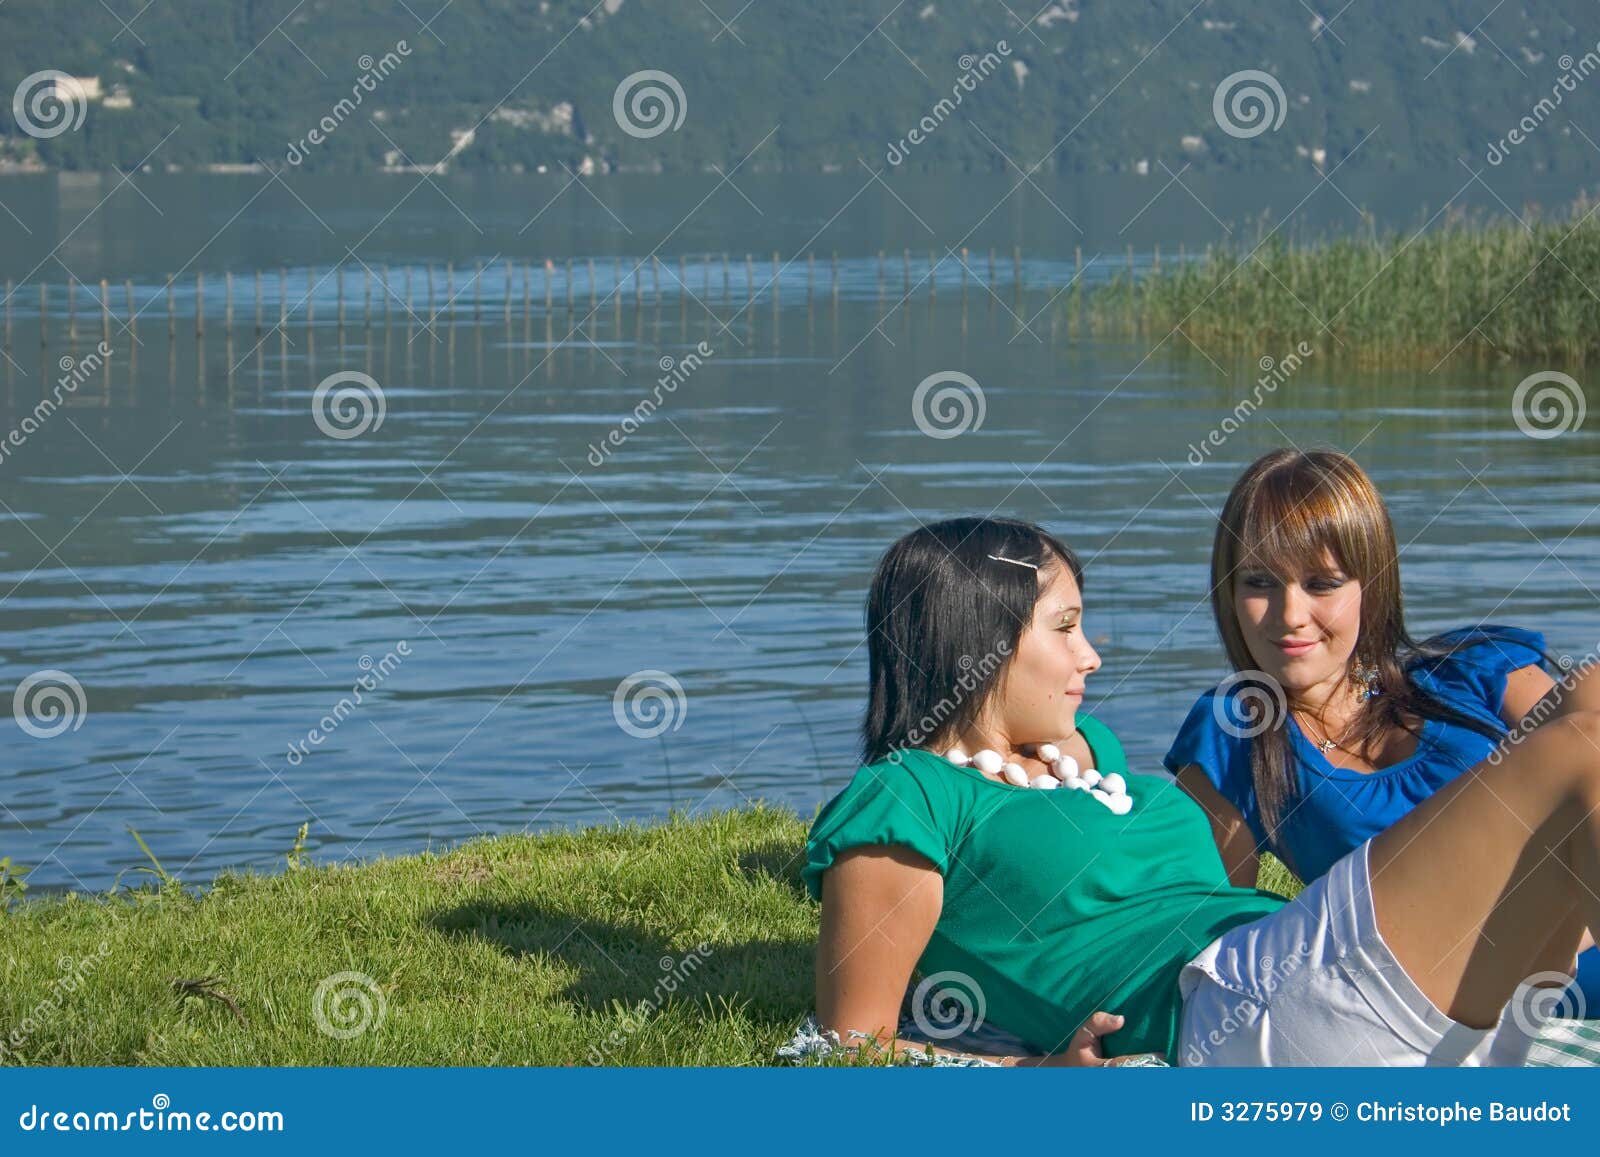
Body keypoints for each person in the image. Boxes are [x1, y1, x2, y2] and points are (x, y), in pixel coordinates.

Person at [807, 514, 1600, 1066]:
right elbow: (850, 1043)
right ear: (977, 638)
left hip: (1294, 975)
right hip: (1230, 1014)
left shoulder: (1093, 753)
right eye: (1065, 627)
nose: (1092, 656)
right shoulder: (909, 794)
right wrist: (1029, 1073)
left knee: (1588, 701)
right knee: (1577, 752)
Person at [1164, 448, 1598, 1013]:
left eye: (1321, 583)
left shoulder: (1471, 670)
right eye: (1260, 581)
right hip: (1449, 981)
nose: (1290, 614)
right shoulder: (1235, 733)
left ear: (1372, 584)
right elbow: (1225, 933)